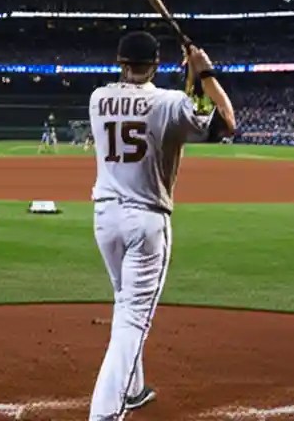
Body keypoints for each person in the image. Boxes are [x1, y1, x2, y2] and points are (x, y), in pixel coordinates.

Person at [86, 31, 236, 421]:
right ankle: (104, 414)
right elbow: (221, 120)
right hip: (146, 222)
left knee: (124, 304)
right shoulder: (168, 102)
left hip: (105, 220)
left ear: (120, 62)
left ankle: (134, 389)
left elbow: (170, 108)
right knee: (134, 320)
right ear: (155, 64)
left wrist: (190, 76)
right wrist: (202, 71)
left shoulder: (98, 98)